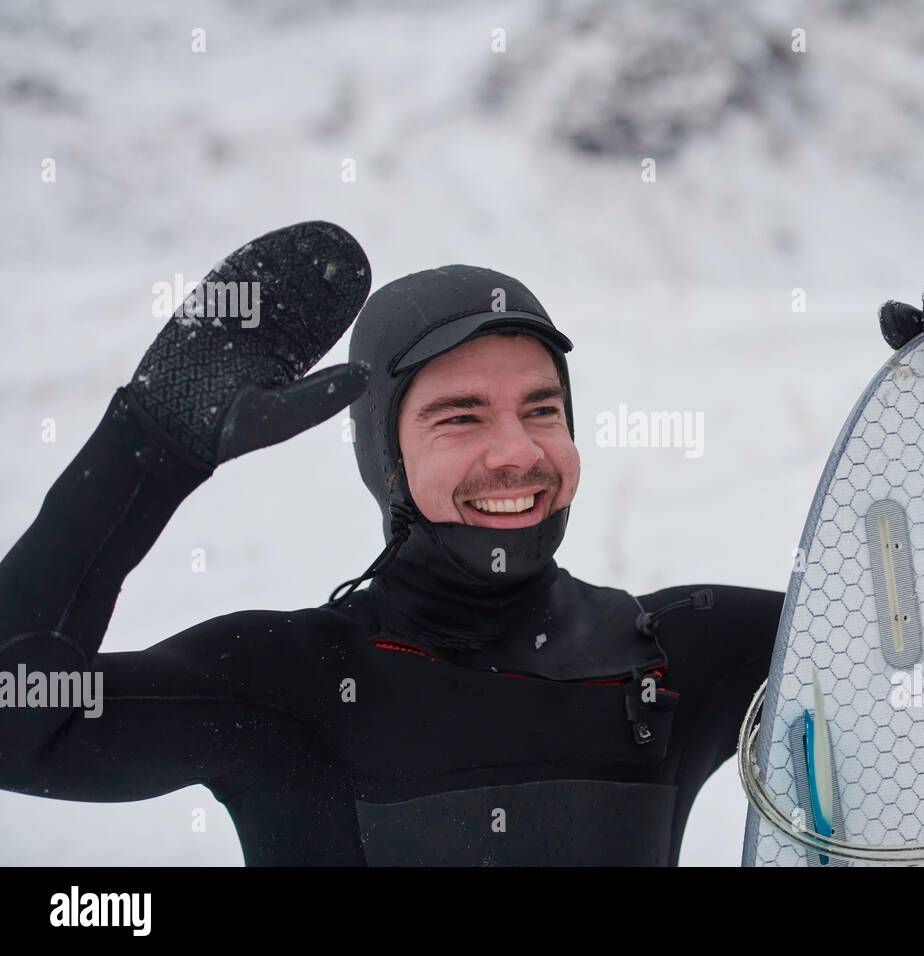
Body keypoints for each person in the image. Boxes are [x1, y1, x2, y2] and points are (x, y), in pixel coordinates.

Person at [0, 221, 783, 865]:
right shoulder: (289, 682)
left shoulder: (671, 658)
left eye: (542, 411)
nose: (518, 452)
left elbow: (893, 649)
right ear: (385, 457)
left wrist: (912, 401)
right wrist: (150, 453)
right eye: (461, 416)